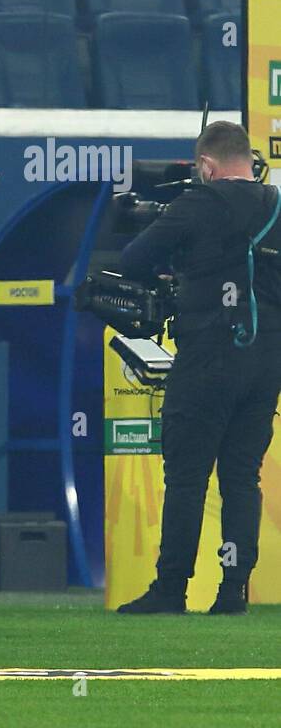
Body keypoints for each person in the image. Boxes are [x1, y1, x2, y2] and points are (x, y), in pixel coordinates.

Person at [117, 121, 281, 615]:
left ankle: (171, 588)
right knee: (241, 477)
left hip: (209, 355)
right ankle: (233, 591)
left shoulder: (197, 203)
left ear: (206, 166)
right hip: (268, 357)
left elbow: (132, 259)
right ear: (249, 161)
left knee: (187, 477)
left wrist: (179, 269)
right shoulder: (276, 203)